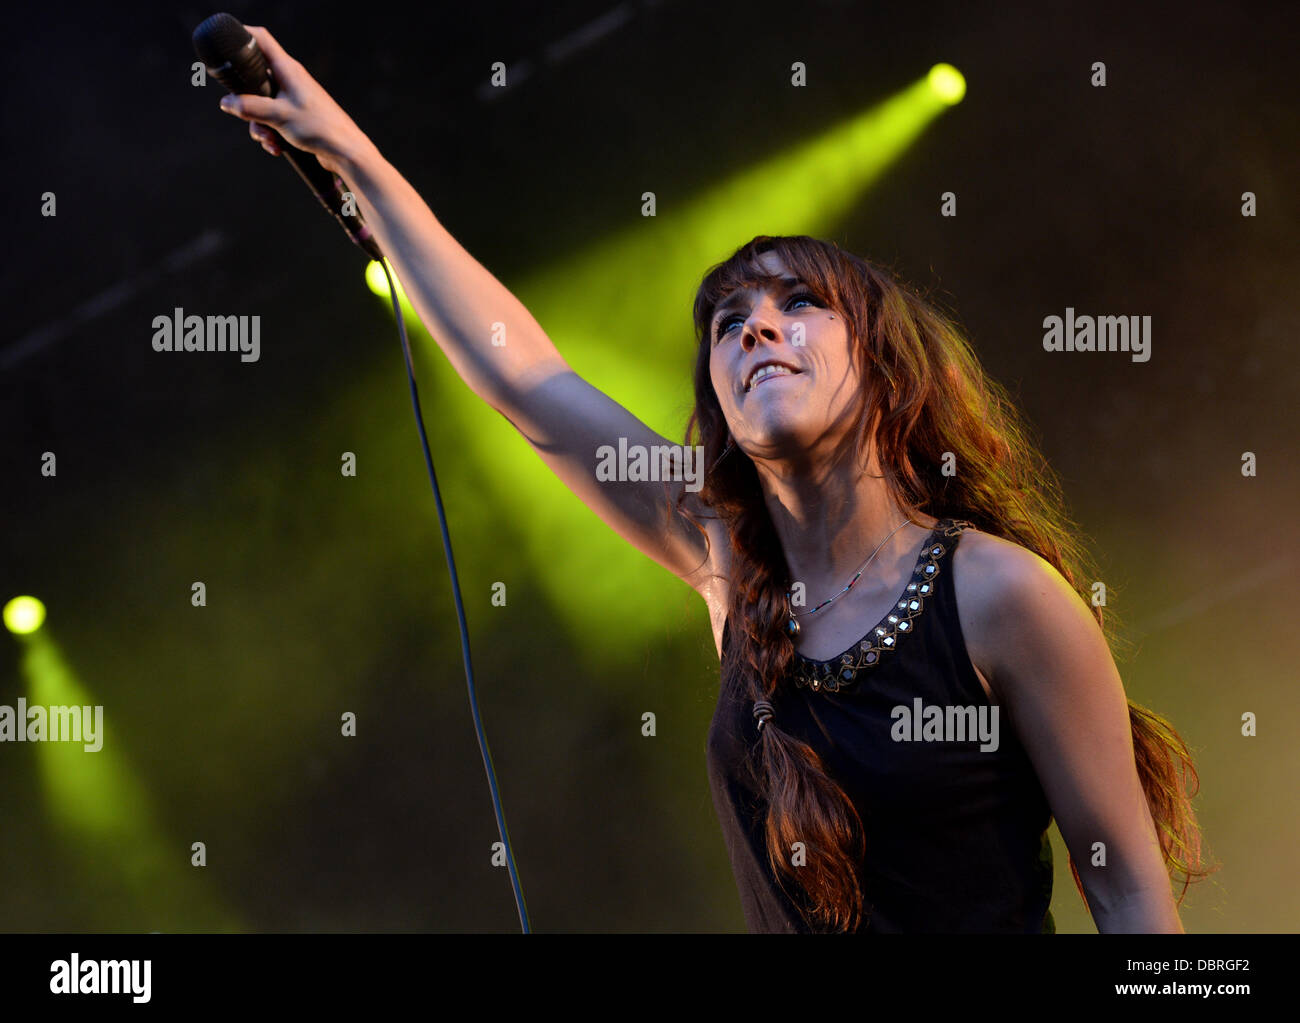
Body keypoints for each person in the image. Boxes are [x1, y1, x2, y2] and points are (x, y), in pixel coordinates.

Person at [217, 27, 1212, 933]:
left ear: (885, 368)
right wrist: (354, 154)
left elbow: (1126, 888)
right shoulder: (724, 558)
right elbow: (523, 375)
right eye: (728, 321)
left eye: (798, 303)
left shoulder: (1000, 597)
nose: (756, 328)